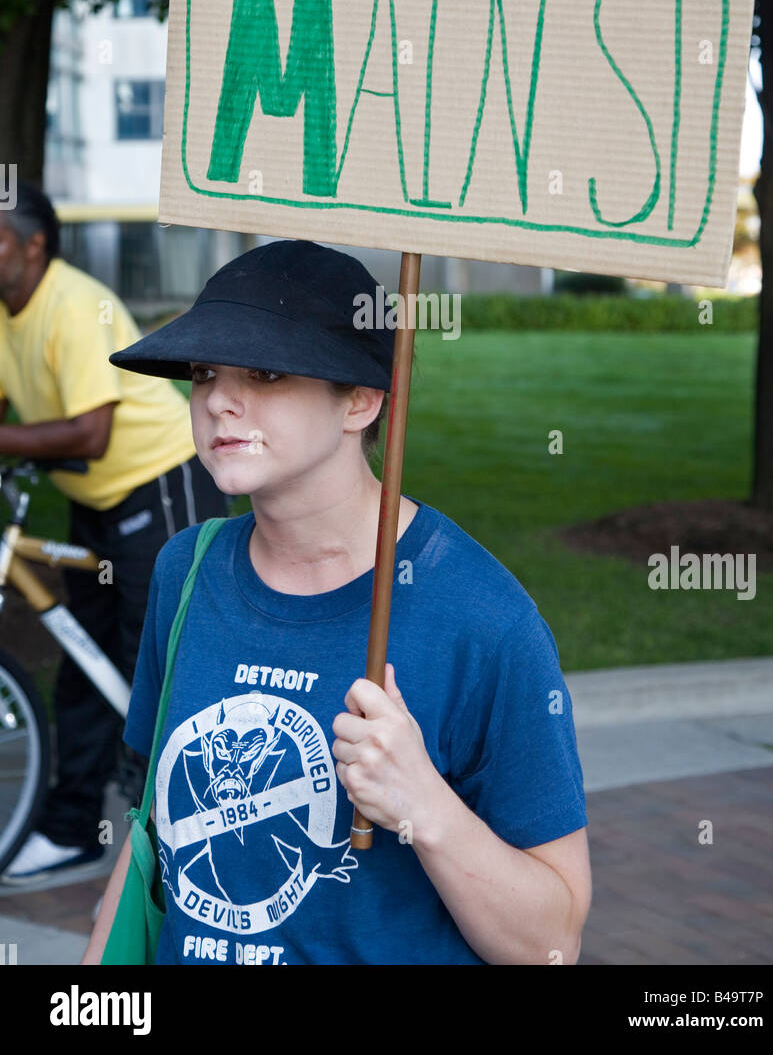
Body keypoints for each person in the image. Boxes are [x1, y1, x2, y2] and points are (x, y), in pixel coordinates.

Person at [83, 238, 591, 965]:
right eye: (203, 374)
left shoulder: (485, 621)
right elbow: (156, 833)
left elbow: (552, 941)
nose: (219, 400)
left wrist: (422, 803)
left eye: (262, 371)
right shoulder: (184, 572)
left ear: (361, 399)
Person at [0, 183, 228, 883]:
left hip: (157, 480)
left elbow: (91, 431)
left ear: (33, 246)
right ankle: (73, 827)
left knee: (160, 653)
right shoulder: (7, 314)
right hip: (94, 496)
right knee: (82, 658)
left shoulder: (70, 304)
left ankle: (192, 821)